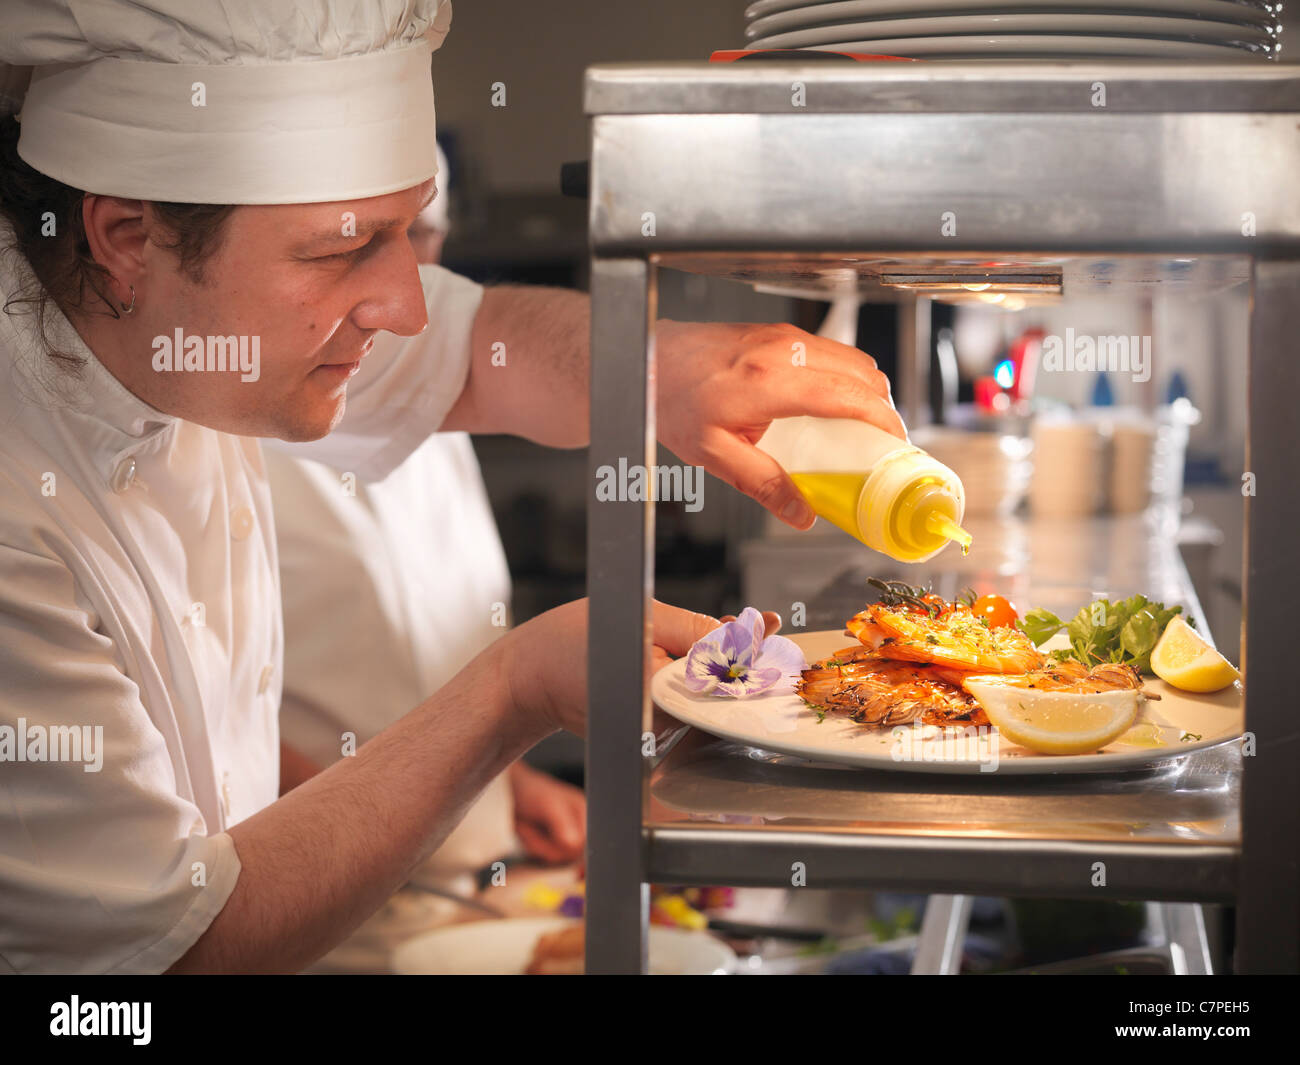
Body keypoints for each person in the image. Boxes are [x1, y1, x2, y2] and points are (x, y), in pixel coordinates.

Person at [0, 0, 905, 975]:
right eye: (342, 248)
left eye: (408, 231)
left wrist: (660, 367)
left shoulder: (185, 326)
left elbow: (475, 350)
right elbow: (171, 951)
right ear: (127, 237)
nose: (404, 307)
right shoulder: (17, 507)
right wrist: (512, 692)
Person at [268, 149, 584, 972]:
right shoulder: (230, 419)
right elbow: (209, 721)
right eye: (362, 240)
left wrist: (507, 788)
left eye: (424, 233)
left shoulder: (429, 411)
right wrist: (398, 820)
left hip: (469, 893)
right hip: (315, 919)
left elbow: (429, 656)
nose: (407, 283)